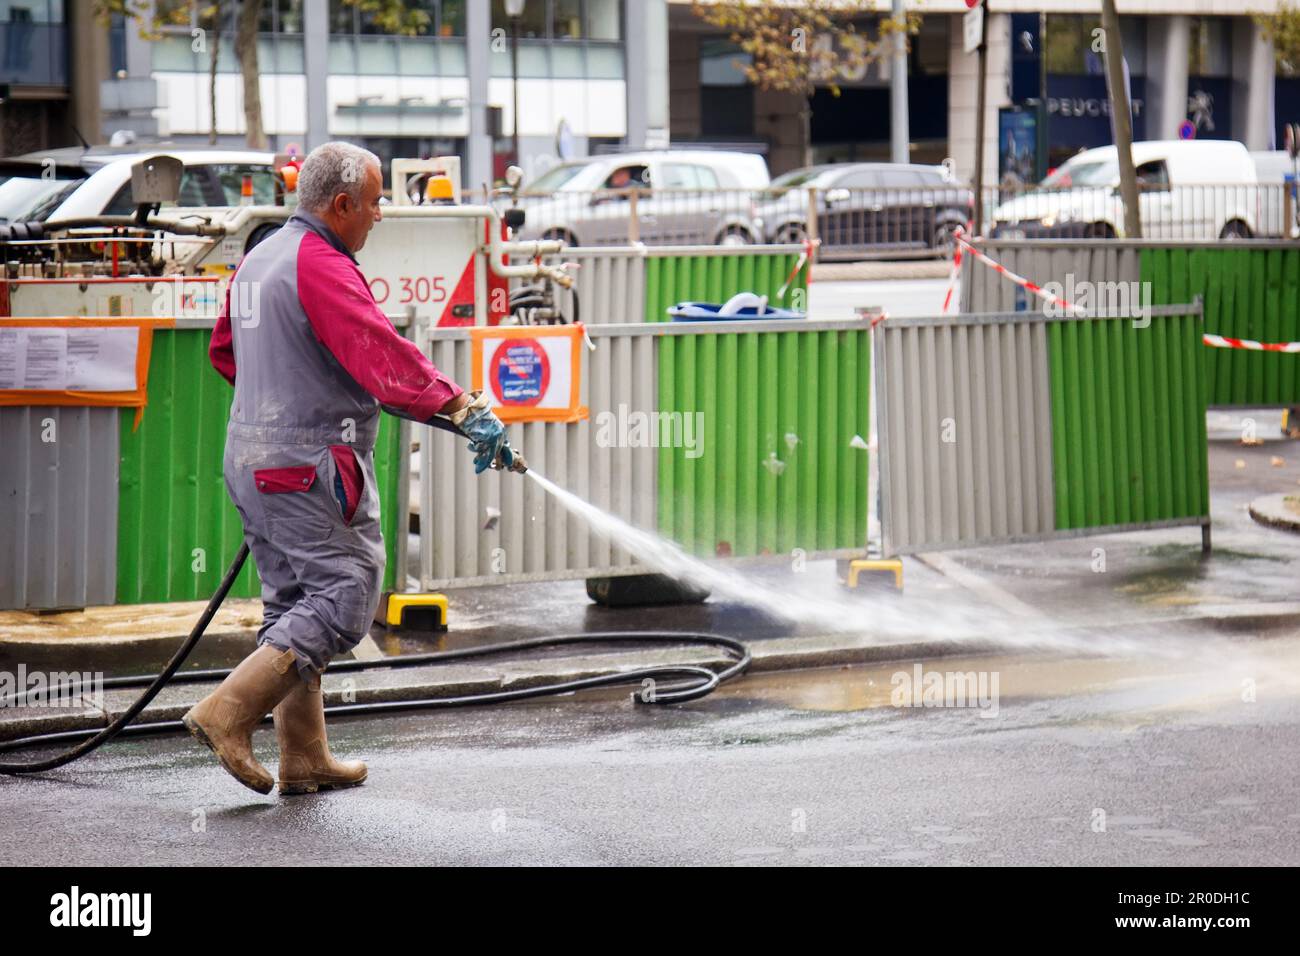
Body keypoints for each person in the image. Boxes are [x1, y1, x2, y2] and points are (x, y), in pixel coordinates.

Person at [185, 141, 509, 796]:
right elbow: (379, 352)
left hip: (251, 457)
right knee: (345, 594)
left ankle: (304, 757)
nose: (380, 214)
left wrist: (283, 402)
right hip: (307, 464)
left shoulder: (260, 256)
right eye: (375, 200)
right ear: (340, 205)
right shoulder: (319, 263)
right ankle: (227, 712)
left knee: (293, 604)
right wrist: (462, 404)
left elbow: (227, 354)